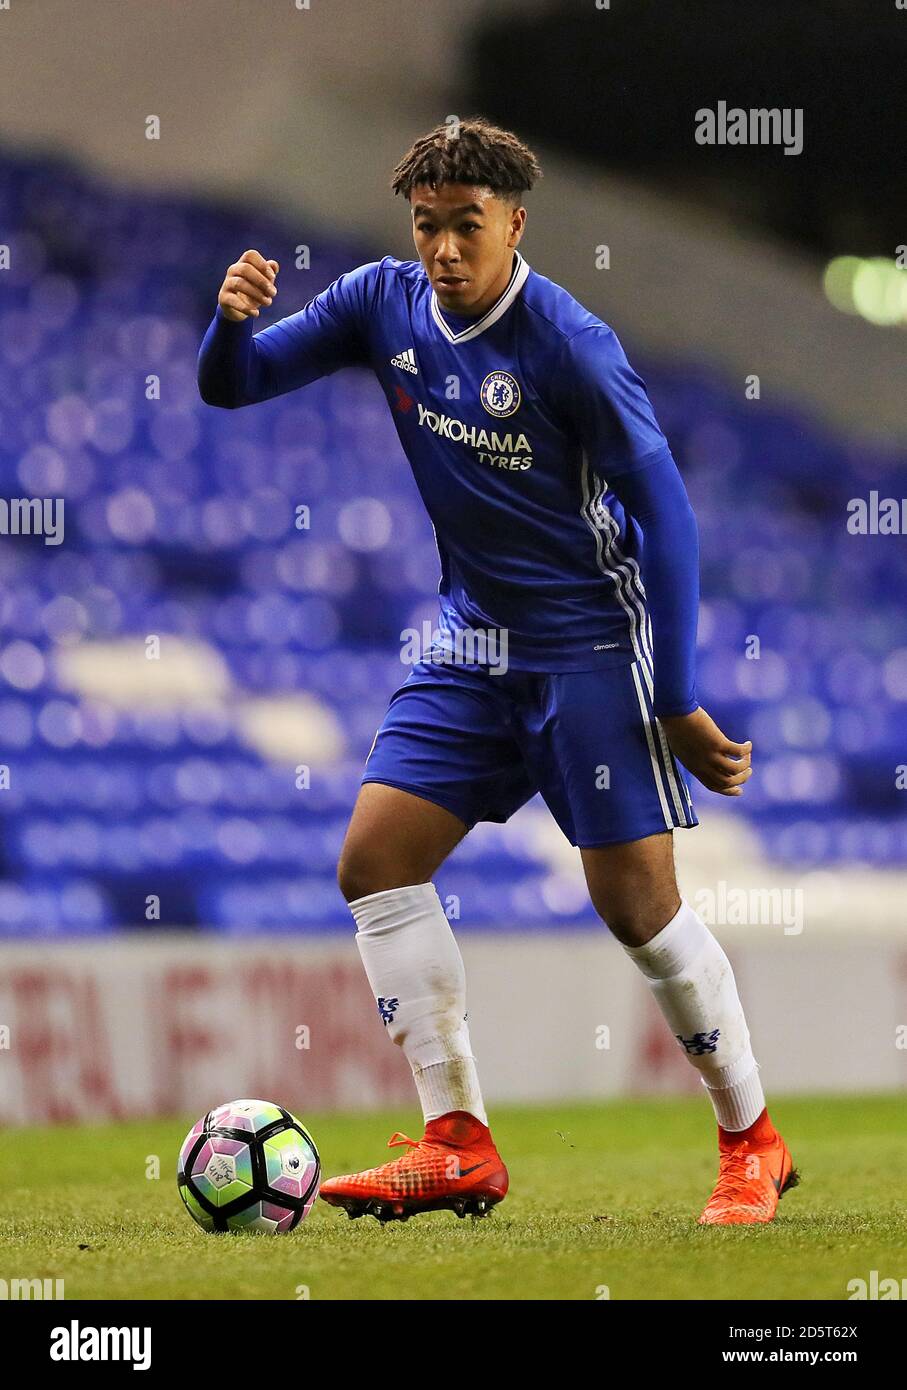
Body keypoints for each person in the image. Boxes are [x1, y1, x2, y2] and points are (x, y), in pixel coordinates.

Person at [197, 116, 797, 1226]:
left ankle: (750, 1138)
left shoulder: (568, 342)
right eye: (426, 226)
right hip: (469, 643)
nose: (442, 250)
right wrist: (229, 330)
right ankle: (457, 1141)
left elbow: (664, 514)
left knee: (637, 909)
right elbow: (233, 388)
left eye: (466, 226)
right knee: (375, 861)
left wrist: (675, 694)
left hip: (586, 648)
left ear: (515, 223)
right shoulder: (382, 304)